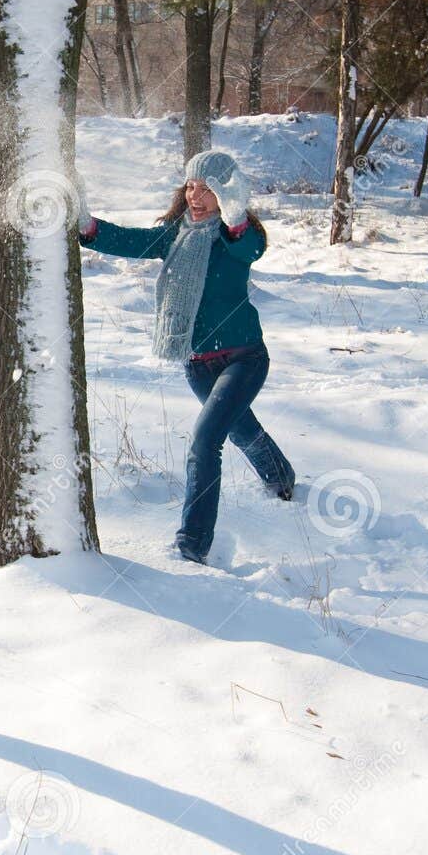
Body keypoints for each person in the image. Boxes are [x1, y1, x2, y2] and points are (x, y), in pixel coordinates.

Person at [77, 149, 295, 565]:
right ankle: (282, 478)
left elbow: (250, 249)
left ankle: (191, 546)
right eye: (191, 186)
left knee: (204, 444)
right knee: (241, 431)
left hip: (244, 359)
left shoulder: (237, 238)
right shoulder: (176, 236)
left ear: (228, 193)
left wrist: (234, 218)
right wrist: (87, 224)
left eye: (208, 189)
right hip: (197, 365)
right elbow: (130, 241)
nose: (196, 196)